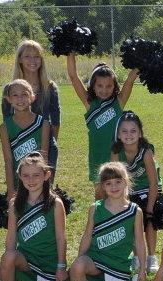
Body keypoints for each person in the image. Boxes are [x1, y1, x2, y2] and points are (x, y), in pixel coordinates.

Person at [69, 162, 147, 281]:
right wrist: (79, 261)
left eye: (118, 182)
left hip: (119, 262)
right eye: (108, 183)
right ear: (103, 186)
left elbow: (140, 241)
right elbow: (87, 236)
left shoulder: (135, 211)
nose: (114, 187)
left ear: (126, 181)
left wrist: (142, 269)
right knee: (77, 266)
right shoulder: (95, 208)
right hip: (96, 258)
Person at [0, 152, 67, 281]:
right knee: (8, 257)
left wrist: (61, 266)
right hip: (26, 259)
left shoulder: (55, 203)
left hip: (49, 261)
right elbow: (11, 236)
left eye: (36, 175)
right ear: (20, 176)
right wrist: (7, 263)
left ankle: (64, 279)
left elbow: (61, 238)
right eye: (26, 175)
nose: (31, 180)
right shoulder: (15, 203)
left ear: (46, 175)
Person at [66, 53, 138, 189]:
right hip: (97, 155)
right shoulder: (89, 103)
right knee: (100, 193)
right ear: (93, 86)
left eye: (109, 86)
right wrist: (71, 51)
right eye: (100, 85)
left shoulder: (118, 102)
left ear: (114, 86)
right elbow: (73, 76)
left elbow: (130, 80)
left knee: (120, 192)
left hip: (118, 154)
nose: (104, 90)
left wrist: (143, 59)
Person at [111, 111, 163, 273]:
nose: (129, 135)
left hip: (149, 190)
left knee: (150, 221)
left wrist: (149, 208)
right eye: (124, 131)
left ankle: (151, 256)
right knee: (132, 221)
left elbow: (153, 182)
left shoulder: (146, 152)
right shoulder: (116, 152)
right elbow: (115, 180)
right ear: (118, 134)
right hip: (128, 191)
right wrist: (122, 202)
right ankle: (136, 256)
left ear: (140, 133)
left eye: (133, 131)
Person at [2, 40, 61, 178]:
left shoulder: (49, 87)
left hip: (45, 146)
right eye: (27, 56)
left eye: (36, 56)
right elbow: (7, 120)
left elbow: (56, 122)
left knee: (43, 185)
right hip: (20, 145)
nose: (32, 60)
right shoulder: (9, 89)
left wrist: (48, 144)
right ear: (20, 59)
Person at [0, 79, 50, 199]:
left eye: (24, 94)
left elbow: (44, 158)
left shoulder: (43, 124)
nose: (20, 99)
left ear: (32, 97)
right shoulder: (4, 127)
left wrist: (45, 187)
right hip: (19, 181)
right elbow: (8, 161)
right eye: (15, 95)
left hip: (38, 182)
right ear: (8, 99)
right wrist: (11, 190)